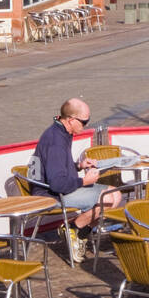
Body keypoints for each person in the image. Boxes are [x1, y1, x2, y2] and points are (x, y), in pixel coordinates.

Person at [26, 99, 125, 263]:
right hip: (50, 194)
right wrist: (84, 182)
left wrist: (78, 165)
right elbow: (57, 183)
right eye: (84, 122)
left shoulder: (62, 132)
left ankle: (78, 232)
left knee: (116, 195)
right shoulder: (56, 141)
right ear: (71, 120)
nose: (86, 125)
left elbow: (56, 167)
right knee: (107, 199)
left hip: (59, 187)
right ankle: (72, 228)